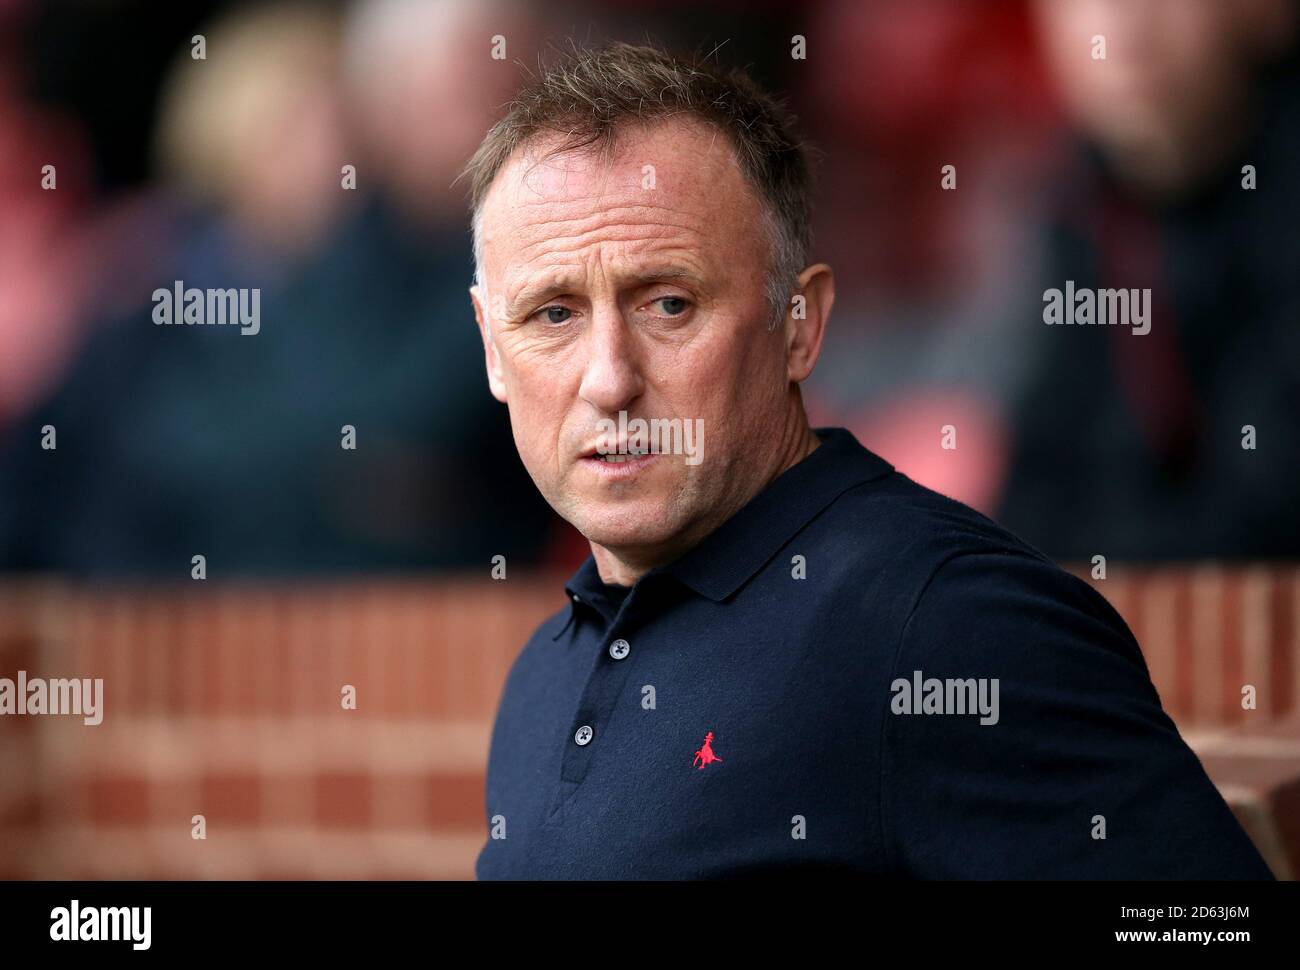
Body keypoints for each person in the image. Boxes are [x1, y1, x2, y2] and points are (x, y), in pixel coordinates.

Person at [466, 42, 1273, 879]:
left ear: (801, 325)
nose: (609, 379)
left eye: (669, 303)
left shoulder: (953, 622)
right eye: (553, 314)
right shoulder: (540, 677)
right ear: (492, 348)